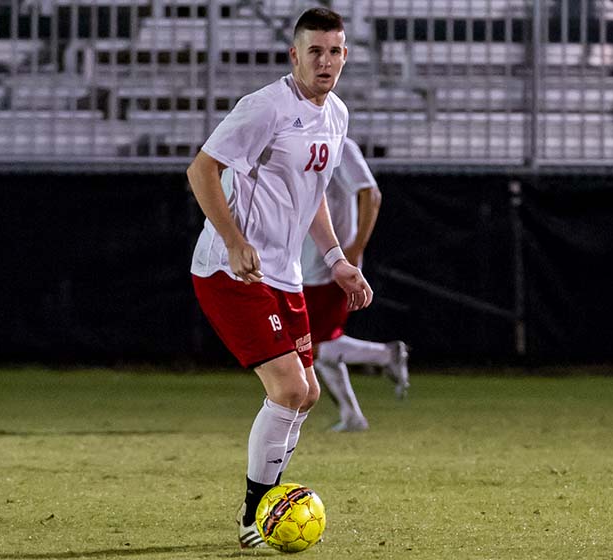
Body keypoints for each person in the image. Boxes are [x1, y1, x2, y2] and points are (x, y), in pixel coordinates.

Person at [185, 7, 372, 550]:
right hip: (231, 270)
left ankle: (265, 503)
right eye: (315, 50)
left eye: (335, 50)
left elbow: (310, 196)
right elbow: (202, 170)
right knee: (290, 388)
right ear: (295, 55)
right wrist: (235, 240)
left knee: (309, 393)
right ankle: (254, 515)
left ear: (345, 56)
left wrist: (336, 259)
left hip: (284, 275)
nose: (326, 61)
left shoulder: (336, 115)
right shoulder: (265, 107)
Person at [301, 137, 410, 432]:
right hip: (306, 264)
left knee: (311, 345)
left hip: (329, 267)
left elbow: (371, 194)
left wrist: (355, 248)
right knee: (316, 344)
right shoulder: (296, 141)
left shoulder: (339, 144)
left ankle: (387, 354)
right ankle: (352, 416)